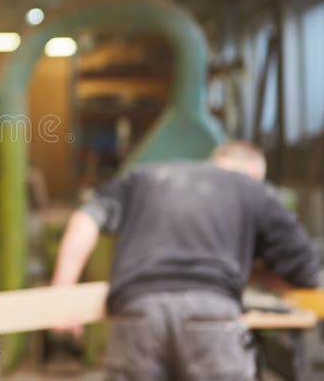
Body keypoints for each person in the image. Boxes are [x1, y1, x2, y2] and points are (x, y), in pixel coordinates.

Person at [51, 141, 320, 380]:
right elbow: (305, 271)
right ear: (252, 173)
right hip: (211, 317)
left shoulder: (147, 177)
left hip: (136, 312)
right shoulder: (250, 187)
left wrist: (62, 292)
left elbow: (84, 219)